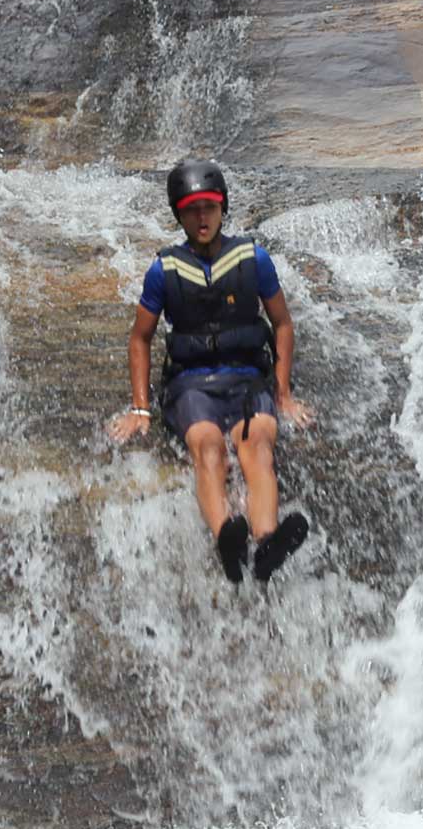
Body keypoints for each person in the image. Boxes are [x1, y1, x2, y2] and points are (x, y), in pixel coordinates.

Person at [105, 159, 314, 584]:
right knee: (207, 445)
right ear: (179, 215)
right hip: (191, 383)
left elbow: (283, 324)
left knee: (256, 444)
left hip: (246, 378)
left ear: (223, 208)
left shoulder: (254, 260)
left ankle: (267, 541)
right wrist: (141, 408)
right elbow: (139, 339)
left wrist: (284, 393)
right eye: (192, 210)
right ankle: (227, 540)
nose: (202, 218)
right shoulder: (164, 270)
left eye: (210, 208)